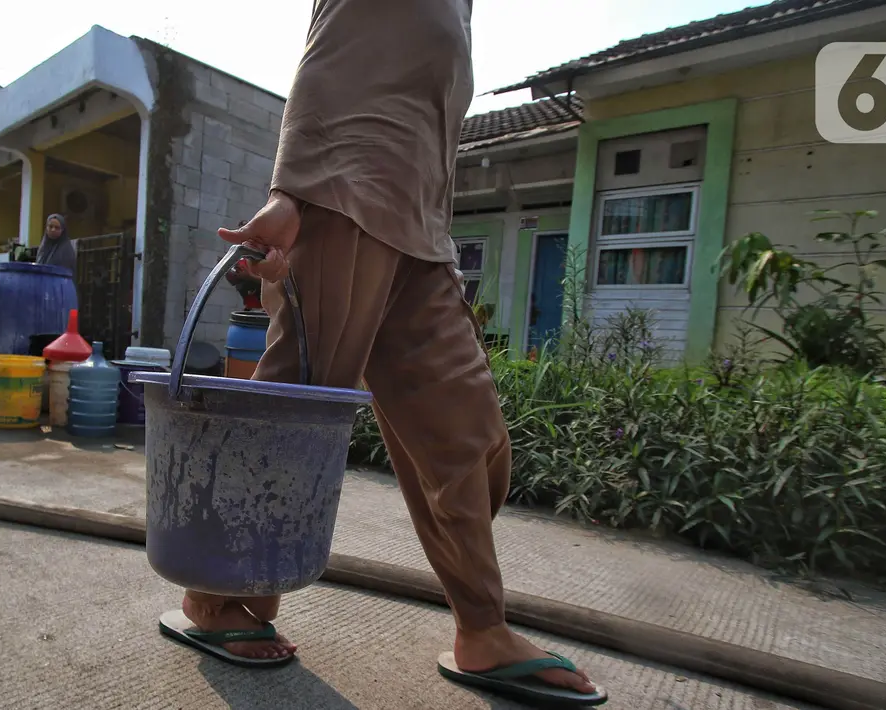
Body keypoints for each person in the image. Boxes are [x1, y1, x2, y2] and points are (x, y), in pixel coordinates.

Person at [159, 1, 607, 706]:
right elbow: (329, 50)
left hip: (423, 232)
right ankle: (213, 598)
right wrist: (289, 188)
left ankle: (480, 632)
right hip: (341, 194)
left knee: (469, 438)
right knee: (292, 416)